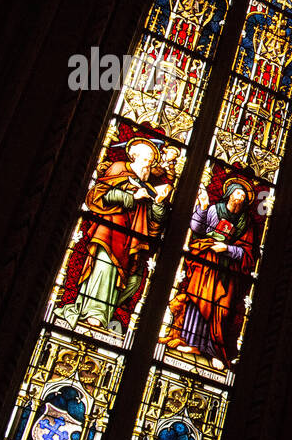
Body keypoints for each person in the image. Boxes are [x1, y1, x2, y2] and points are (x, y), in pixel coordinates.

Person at [54, 137, 170, 332]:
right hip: (111, 229)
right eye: (147, 156)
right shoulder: (118, 169)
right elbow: (101, 195)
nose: (150, 161)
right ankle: (93, 312)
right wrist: (132, 197)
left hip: (134, 237)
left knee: (134, 280)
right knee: (104, 269)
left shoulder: (148, 186)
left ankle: (106, 314)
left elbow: (156, 219)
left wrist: (158, 201)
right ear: (134, 155)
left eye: (152, 159)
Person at [160, 178, 257, 371]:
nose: (240, 198)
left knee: (220, 309)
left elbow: (248, 254)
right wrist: (202, 207)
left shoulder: (246, 223)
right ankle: (188, 341)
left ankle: (212, 350)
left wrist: (228, 249)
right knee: (196, 301)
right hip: (204, 265)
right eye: (238, 193)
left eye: (244, 196)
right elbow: (197, 229)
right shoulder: (214, 210)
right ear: (229, 193)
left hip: (227, 273)